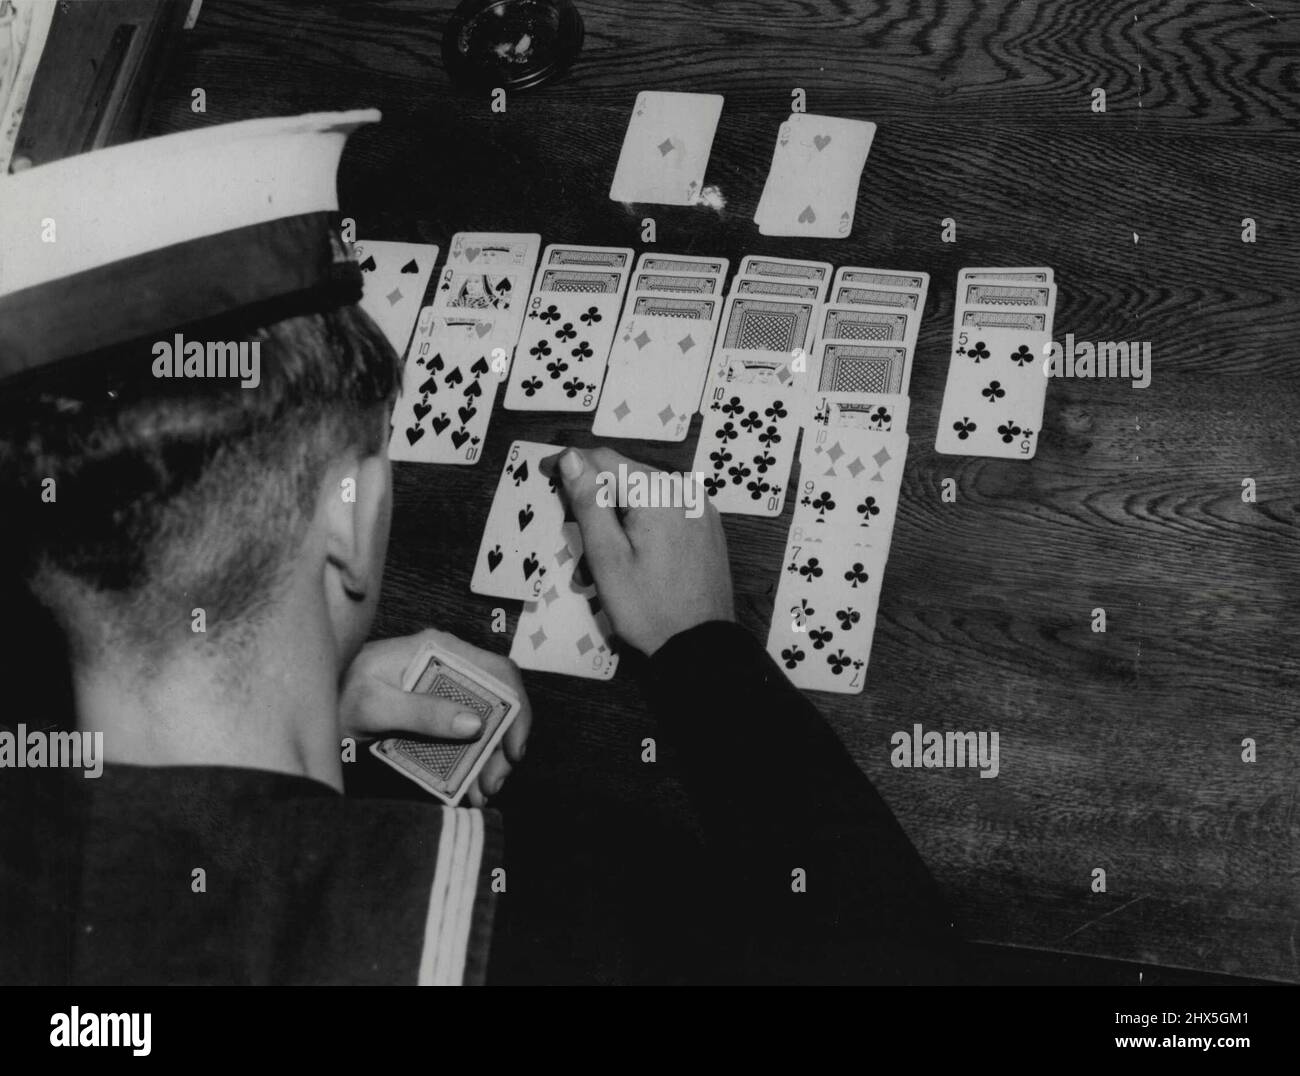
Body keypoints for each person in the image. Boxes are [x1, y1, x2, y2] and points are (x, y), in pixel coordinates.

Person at [0, 111, 959, 985]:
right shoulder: (564, 926)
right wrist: (703, 651)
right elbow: (901, 960)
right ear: (353, 517)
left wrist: (319, 692)